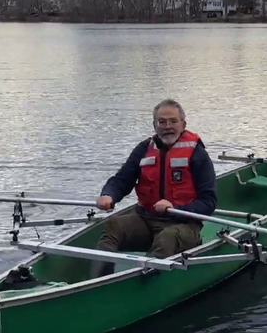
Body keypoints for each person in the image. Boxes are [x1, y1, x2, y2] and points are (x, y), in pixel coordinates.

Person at [90, 99, 217, 277]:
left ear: (183, 124)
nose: (168, 126)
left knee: (167, 237)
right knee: (114, 225)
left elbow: (209, 202)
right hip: (145, 219)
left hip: (184, 224)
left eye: (173, 121)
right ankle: (98, 281)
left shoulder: (197, 154)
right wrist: (108, 196)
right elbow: (122, 179)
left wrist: (175, 209)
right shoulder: (143, 149)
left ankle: (143, 284)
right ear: (154, 125)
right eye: (162, 122)